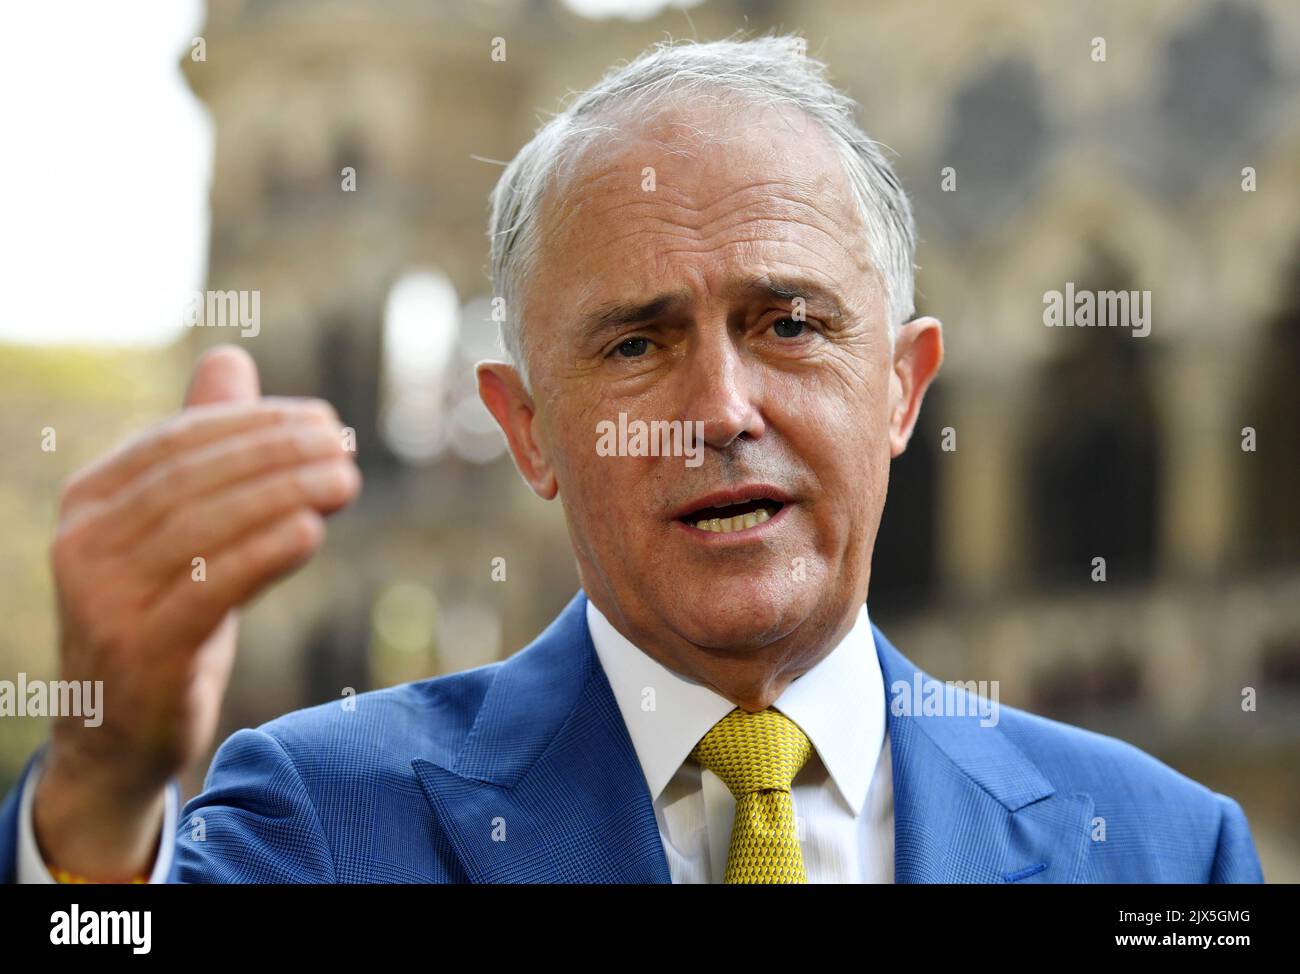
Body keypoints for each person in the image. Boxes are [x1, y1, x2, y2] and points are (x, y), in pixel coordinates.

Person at [0, 35, 1263, 883]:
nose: (718, 406)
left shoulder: (1164, 850)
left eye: (789, 323)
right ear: (527, 429)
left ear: (901, 385)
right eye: (634, 343)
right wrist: (103, 791)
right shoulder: (320, 820)